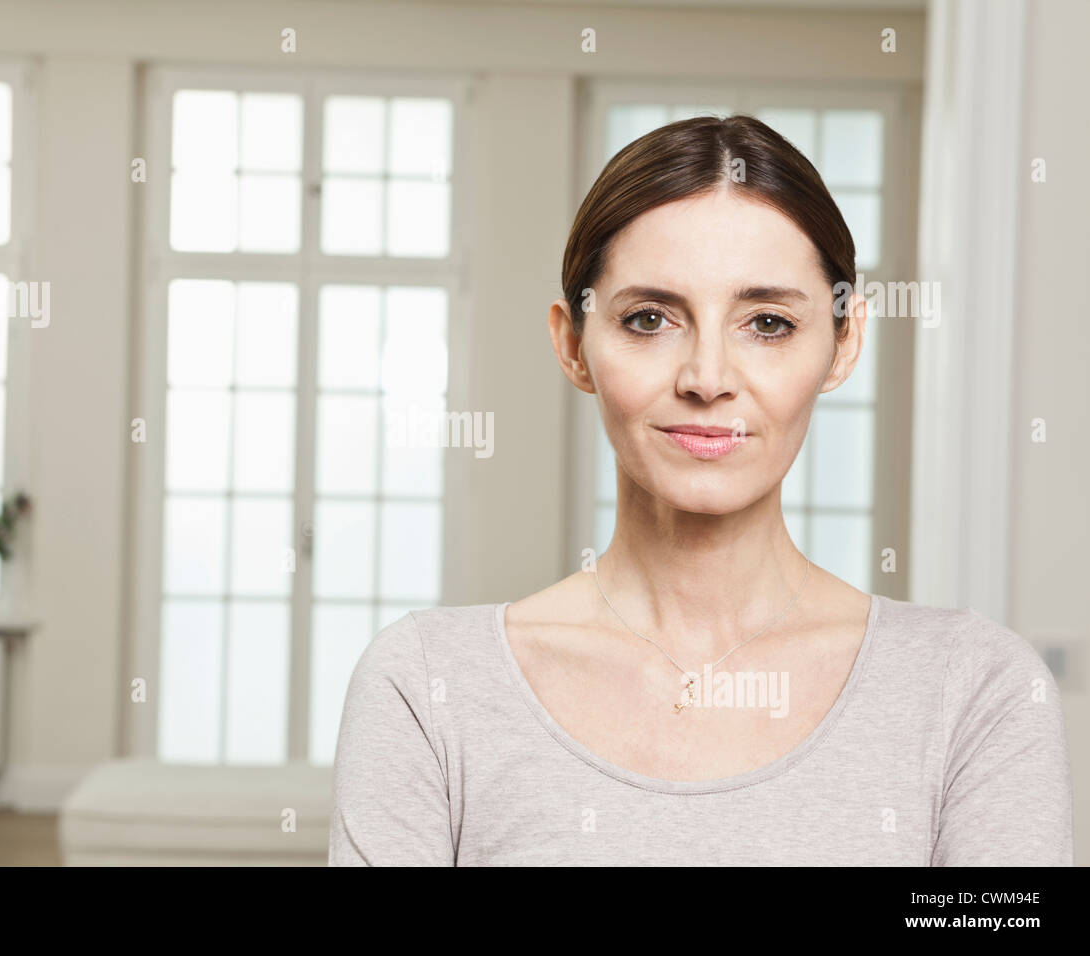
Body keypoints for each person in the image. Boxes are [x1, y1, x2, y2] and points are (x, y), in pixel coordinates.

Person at [327, 115, 1074, 866]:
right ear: (572, 345)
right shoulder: (427, 687)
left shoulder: (976, 691)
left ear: (844, 343)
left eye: (769, 323)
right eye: (650, 319)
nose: (708, 379)